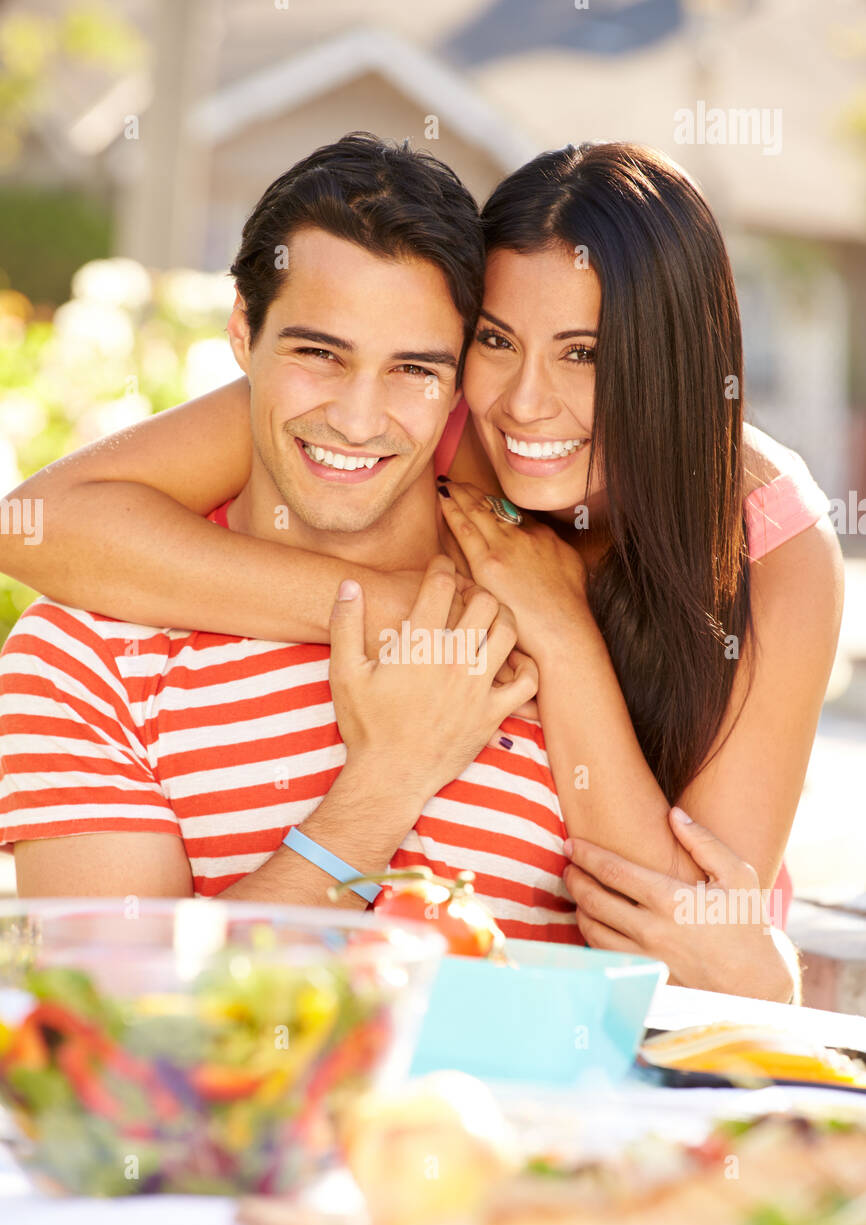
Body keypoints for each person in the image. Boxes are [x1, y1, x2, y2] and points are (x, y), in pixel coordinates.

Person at [0, 135, 824, 999]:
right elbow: (39, 522)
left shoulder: (762, 539)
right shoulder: (453, 431)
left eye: (586, 352)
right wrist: (404, 625)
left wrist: (560, 632)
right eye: (498, 342)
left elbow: (695, 955)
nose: (528, 403)